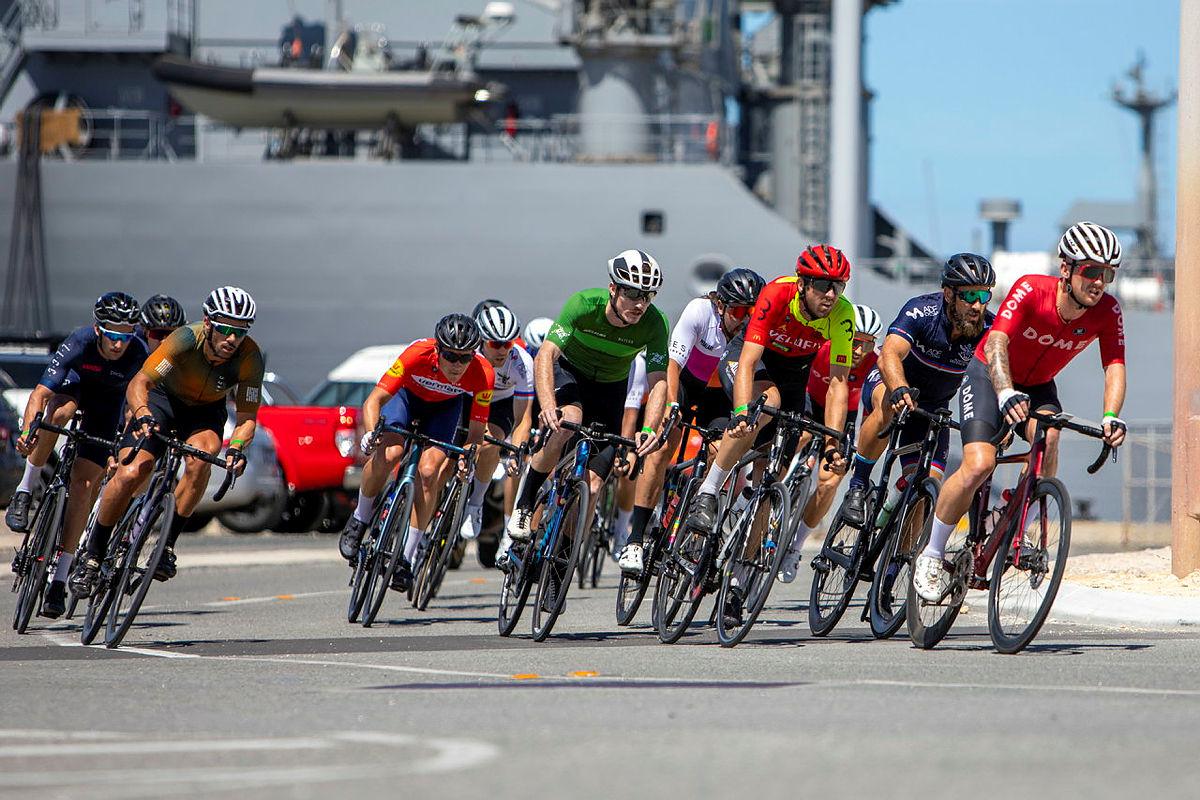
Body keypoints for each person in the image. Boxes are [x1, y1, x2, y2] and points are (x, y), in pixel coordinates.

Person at [912, 223, 1128, 601]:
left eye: (1107, 274)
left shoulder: (1108, 310)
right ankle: (931, 553)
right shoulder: (1032, 288)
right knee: (979, 465)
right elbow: (996, 339)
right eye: (1091, 271)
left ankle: (1016, 519)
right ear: (1067, 269)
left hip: (1039, 385)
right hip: (990, 374)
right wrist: (1005, 391)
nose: (1100, 282)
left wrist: (1111, 416)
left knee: (1050, 438)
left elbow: (1114, 364)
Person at [70, 287, 263, 597]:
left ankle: (167, 546)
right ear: (208, 323)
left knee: (203, 458)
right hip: (162, 402)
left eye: (239, 333)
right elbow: (140, 382)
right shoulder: (185, 339)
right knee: (133, 472)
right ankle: (93, 553)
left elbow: (246, 417)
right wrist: (143, 413)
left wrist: (238, 447)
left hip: (204, 412)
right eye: (225, 329)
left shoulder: (249, 356)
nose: (231, 339)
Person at [694, 245, 856, 587]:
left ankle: (739, 581)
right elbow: (749, 361)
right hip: (753, 359)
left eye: (837, 287)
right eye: (822, 286)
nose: (831, 294)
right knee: (765, 404)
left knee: (771, 480)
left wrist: (834, 442)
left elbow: (838, 386)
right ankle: (708, 492)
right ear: (802, 284)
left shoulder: (842, 315)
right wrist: (741, 411)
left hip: (795, 375)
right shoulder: (777, 294)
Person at [505, 250, 670, 571]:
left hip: (611, 389)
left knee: (592, 486)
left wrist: (649, 428)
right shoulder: (583, 304)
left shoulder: (654, 322)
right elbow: (545, 357)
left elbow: (659, 381)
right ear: (614, 289)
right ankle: (524, 506)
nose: (640, 304)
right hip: (572, 375)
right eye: (633, 293)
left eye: (647, 296)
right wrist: (550, 406)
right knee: (569, 422)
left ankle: (561, 562)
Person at [617, 267, 765, 575]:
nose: (744, 318)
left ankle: (698, 525)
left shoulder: (752, 330)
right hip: (686, 384)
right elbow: (672, 365)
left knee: (719, 455)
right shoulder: (700, 311)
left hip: (720, 396)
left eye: (751, 312)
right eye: (738, 310)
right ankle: (635, 539)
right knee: (660, 448)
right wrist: (672, 404)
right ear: (721, 305)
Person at [7, 292, 147, 618]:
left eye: (126, 334)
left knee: (83, 487)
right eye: (112, 334)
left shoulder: (138, 353)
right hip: (76, 388)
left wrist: (126, 442)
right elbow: (41, 394)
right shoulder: (80, 341)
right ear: (99, 329)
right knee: (57, 414)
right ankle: (25, 490)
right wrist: (28, 433)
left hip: (106, 408)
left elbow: (137, 405)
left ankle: (58, 579)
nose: (118, 343)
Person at [338, 314, 495, 593]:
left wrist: (467, 457)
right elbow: (374, 400)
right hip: (406, 399)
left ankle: (406, 557)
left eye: (465, 358)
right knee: (390, 453)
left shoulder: (483, 373)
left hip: (445, 410)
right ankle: (360, 518)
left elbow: (476, 433)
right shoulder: (417, 353)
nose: (457, 365)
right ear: (438, 350)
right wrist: (372, 434)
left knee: (428, 472)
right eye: (451, 356)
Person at [841, 253, 997, 527]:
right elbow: (888, 353)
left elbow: (1000, 375)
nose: (977, 306)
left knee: (925, 492)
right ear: (949, 294)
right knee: (888, 403)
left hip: (933, 408)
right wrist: (900, 387)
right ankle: (858, 485)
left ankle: (892, 567)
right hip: (892, 384)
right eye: (970, 296)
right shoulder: (922, 311)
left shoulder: (988, 329)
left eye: (983, 297)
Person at [461, 304, 533, 541]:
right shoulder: (468, 355)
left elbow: (523, 418)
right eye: (495, 344)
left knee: (491, 443)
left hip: (499, 405)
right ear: (482, 341)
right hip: (466, 400)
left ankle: (476, 503)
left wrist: (517, 452)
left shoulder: (522, 363)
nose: (502, 350)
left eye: (508, 343)